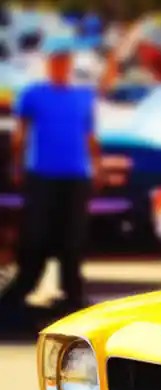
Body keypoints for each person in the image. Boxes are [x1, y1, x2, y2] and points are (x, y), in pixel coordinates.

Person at [0, 36, 99, 318]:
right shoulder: (32, 94)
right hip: (42, 175)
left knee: (73, 238)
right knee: (37, 236)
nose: (60, 65)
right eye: (55, 60)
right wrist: (17, 166)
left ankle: (72, 294)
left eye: (65, 60)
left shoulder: (82, 97)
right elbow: (20, 134)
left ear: (70, 63)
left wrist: (97, 167)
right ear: (48, 63)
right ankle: (20, 292)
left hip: (76, 175)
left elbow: (89, 135)